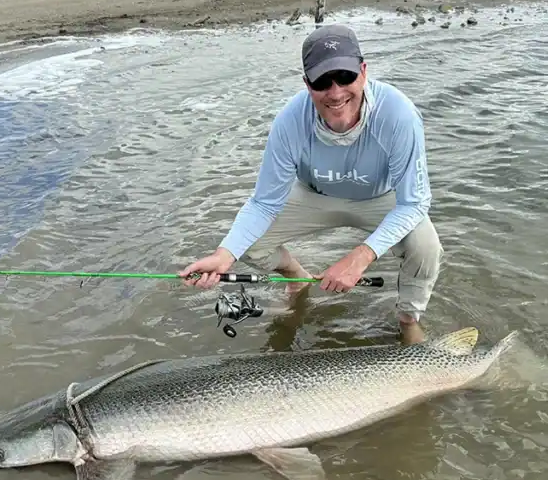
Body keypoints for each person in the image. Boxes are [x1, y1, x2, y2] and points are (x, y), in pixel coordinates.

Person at [178, 23, 443, 345]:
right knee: (246, 243)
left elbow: (414, 202)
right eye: (322, 82)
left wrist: (360, 257)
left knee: (426, 248)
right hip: (314, 195)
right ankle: (296, 276)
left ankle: (408, 318)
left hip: (381, 198)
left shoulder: (399, 114)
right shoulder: (289, 121)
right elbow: (263, 203)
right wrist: (224, 255)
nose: (336, 93)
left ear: (363, 72)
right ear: (307, 84)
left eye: (345, 77)